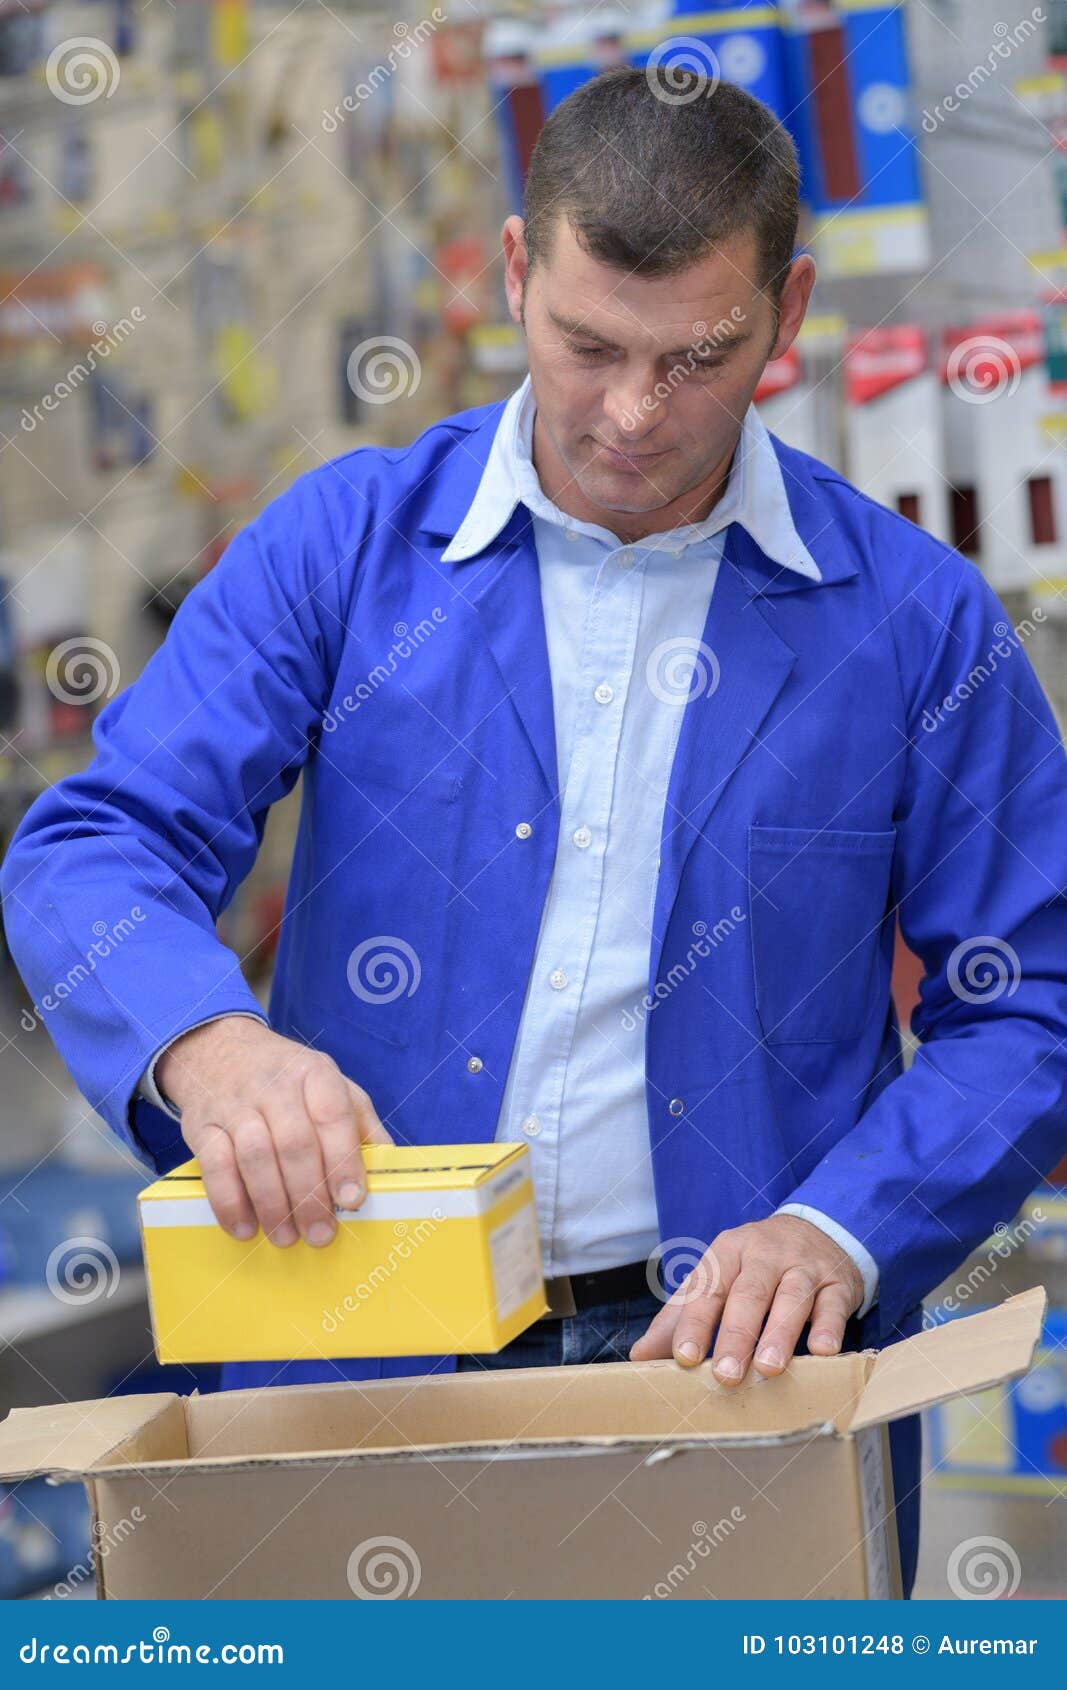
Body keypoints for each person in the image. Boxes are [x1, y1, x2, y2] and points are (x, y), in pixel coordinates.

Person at [5, 69, 1067, 1600]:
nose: (632, 413)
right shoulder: (347, 547)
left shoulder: (912, 621)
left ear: (788, 311)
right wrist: (207, 1045)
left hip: (735, 1390)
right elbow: (95, 843)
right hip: (354, 1356)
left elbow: (1031, 1000)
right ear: (516, 273)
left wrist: (845, 1227)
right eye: (586, 346)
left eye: (697, 358)